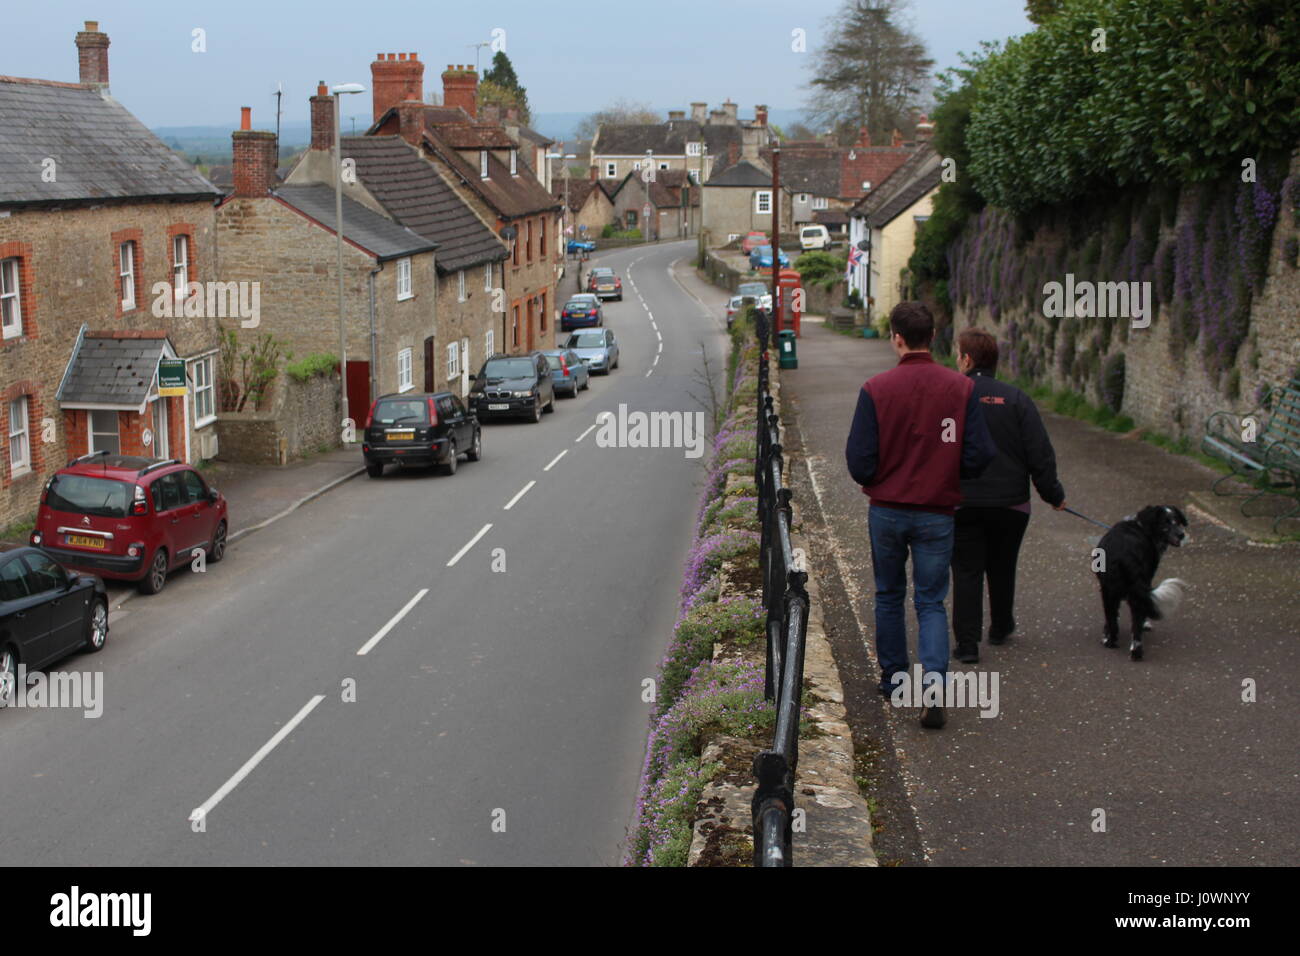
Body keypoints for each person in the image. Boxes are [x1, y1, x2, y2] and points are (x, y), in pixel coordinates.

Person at [845, 303, 997, 730]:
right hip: (937, 511)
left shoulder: (876, 389)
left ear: (896, 337)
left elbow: (859, 460)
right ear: (933, 337)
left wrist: (882, 475)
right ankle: (933, 685)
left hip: (888, 510)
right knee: (930, 601)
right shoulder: (961, 388)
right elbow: (981, 453)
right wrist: (948, 472)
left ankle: (894, 680)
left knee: (889, 595)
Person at [950, 328, 1066, 663]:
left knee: (967, 570)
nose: (958, 360)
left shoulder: (954, 396)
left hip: (964, 502)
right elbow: (1039, 455)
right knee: (1003, 566)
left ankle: (968, 644)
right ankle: (1000, 627)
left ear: (967, 359)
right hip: (1011, 503)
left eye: (959, 354)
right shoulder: (1017, 399)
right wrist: (1053, 495)